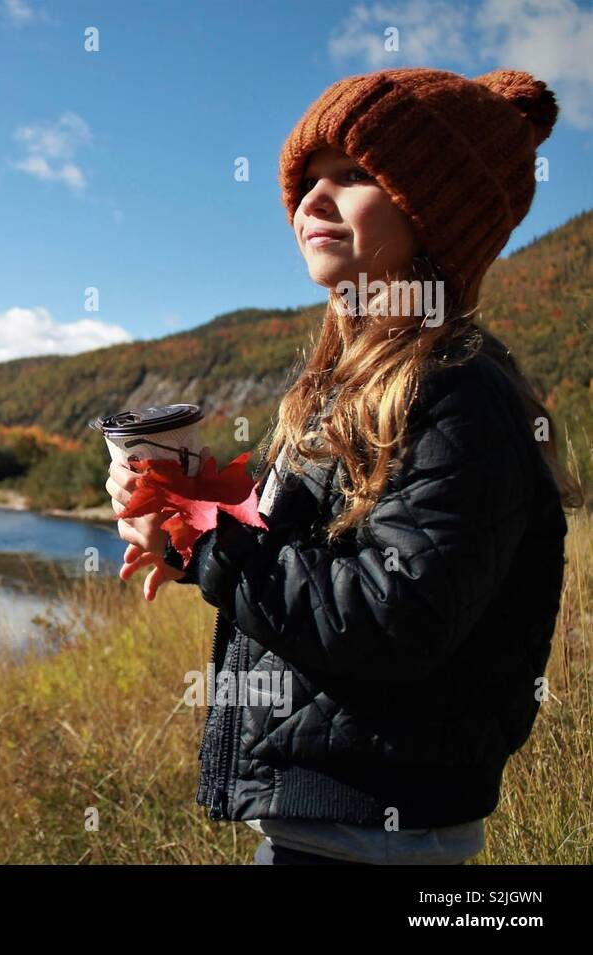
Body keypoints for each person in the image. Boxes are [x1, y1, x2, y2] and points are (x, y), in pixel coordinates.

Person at [105, 68, 582, 865]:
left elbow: (391, 618)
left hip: (376, 840)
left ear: (434, 215)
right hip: (327, 829)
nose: (312, 200)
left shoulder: (456, 394)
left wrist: (212, 536)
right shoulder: (348, 388)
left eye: (354, 175)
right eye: (307, 180)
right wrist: (186, 514)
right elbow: (316, 558)